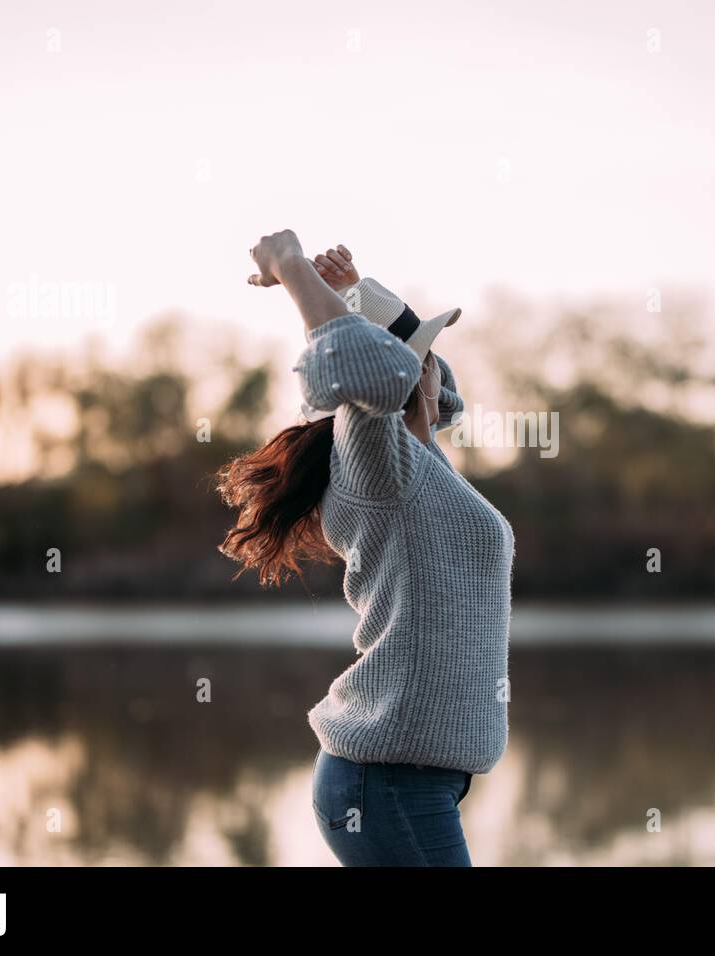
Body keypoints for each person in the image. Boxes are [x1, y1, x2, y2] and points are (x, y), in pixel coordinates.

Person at [217, 229, 515, 866]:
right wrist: (293, 268)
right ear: (409, 377)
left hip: (409, 776)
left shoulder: (418, 458)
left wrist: (353, 292)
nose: (435, 365)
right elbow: (372, 369)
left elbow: (434, 387)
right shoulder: (377, 460)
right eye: (425, 358)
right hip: (387, 780)